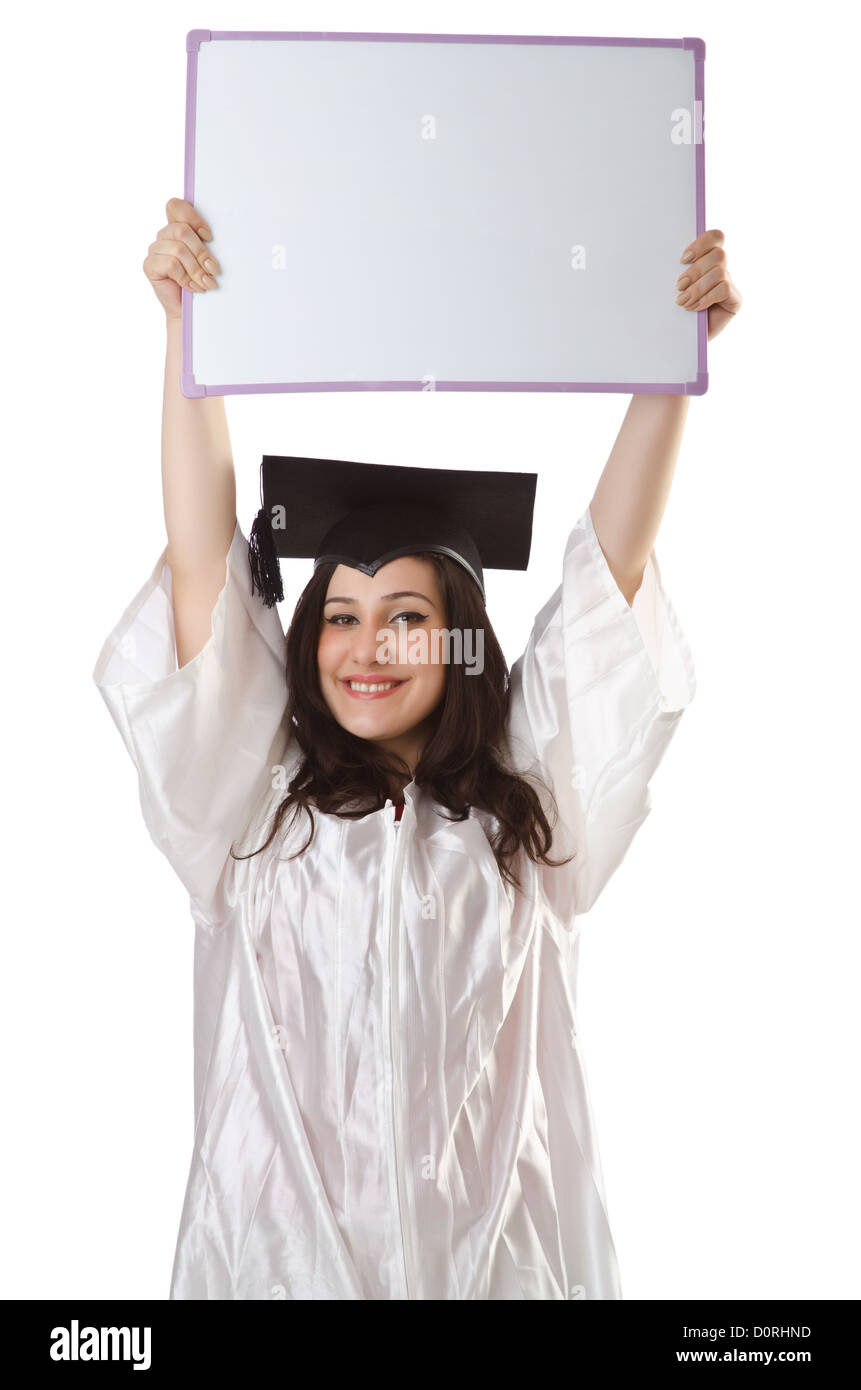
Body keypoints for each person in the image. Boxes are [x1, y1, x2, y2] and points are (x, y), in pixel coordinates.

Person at [92, 196, 742, 1300]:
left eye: (405, 615)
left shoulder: (528, 820)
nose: (366, 647)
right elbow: (203, 559)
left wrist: (671, 365)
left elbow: (609, 570)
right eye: (339, 615)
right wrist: (182, 335)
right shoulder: (252, 811)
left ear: (459, 639)